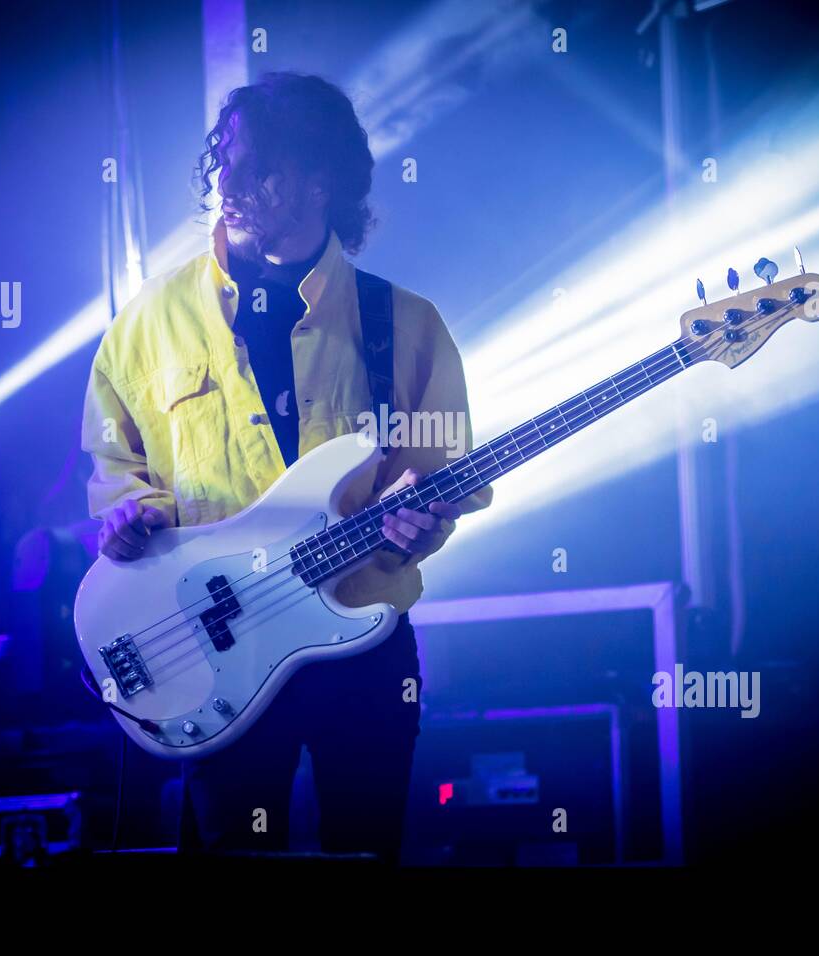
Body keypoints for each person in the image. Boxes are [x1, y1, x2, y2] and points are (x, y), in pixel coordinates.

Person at [81, 71, 492, 864]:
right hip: (211, 638)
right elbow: (112, 452)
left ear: (320, 179)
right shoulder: (150, 320)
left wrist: (416, 527)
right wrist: (131, 508)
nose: (229, 183)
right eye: (224, 162)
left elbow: (439, 476)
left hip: (364, 641)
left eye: (257, 164)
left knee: (366, 854)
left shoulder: (403, 323)